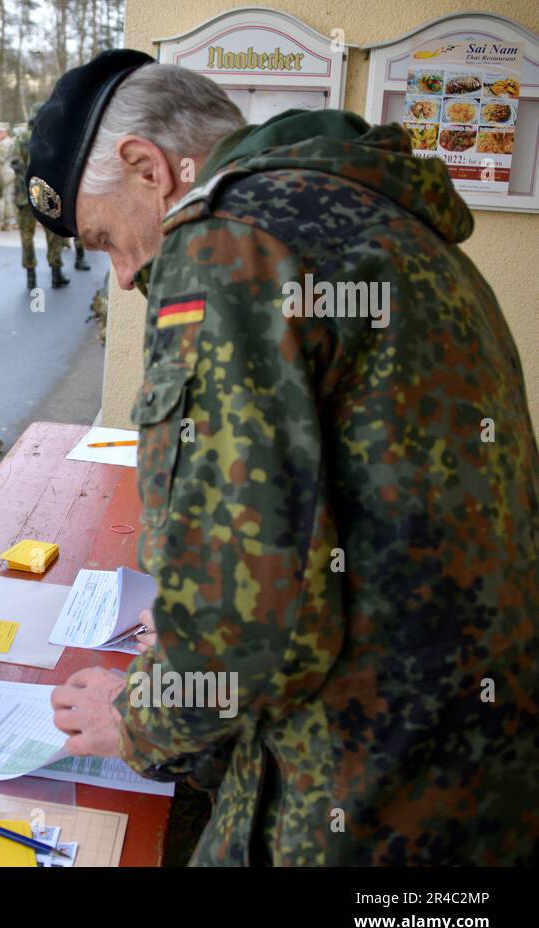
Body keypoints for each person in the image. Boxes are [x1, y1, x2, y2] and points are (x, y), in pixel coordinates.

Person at [30, 50, 539, 864]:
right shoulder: (383, 220)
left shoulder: (231, 244)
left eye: (105, 239)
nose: (124, 276)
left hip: (354, 789)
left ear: (147, 168)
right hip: (469, 775)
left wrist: (137, 719)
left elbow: (249, 622)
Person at [11, 103, 69, 289]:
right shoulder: (50, 137)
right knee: (53, 233)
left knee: (26, 235)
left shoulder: (20, 137)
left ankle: (30, 275)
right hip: (47, 192)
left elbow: (14, 162)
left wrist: (26, 177)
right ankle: (56, 272)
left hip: (24, 194)